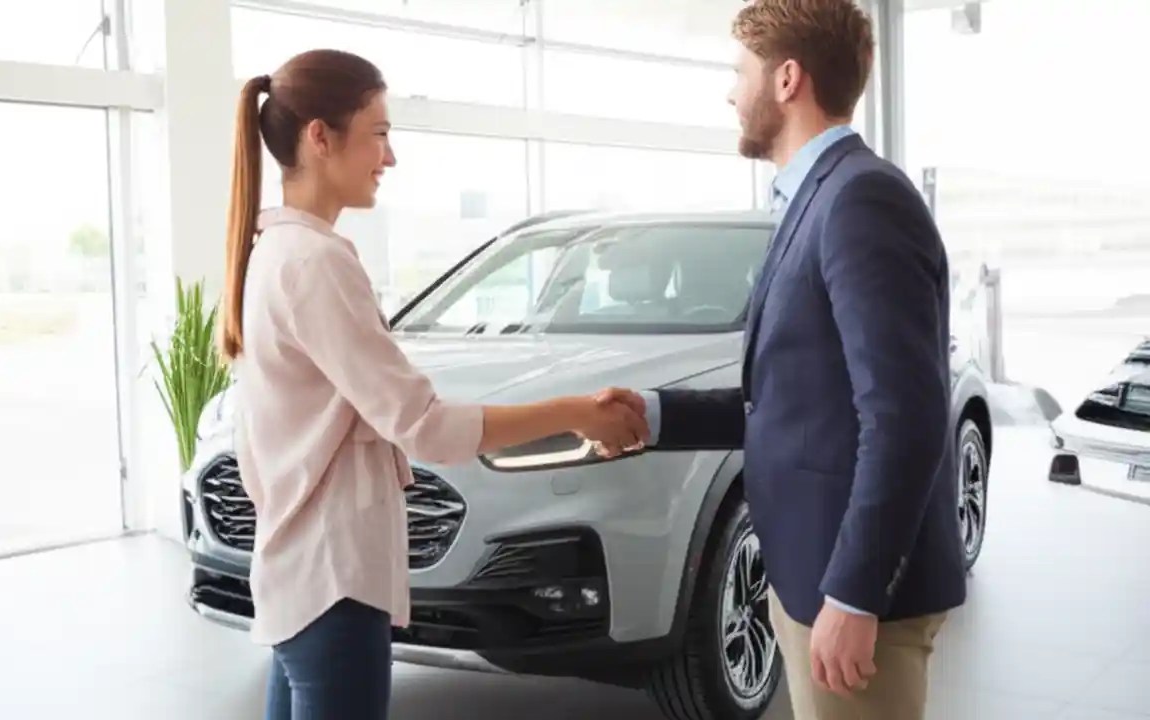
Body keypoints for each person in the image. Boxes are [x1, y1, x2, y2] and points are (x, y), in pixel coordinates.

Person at [218, 50, 649, 720]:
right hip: (334, 583)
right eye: (380, 134)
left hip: (299, 575)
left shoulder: (271, 250)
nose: (390, 158)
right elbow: (426, 427)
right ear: (320, 137)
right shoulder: (316, 262)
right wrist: (574, 412)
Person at [596, 1, 964, 718]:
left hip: (858, 593)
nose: (731, 93)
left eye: (740, 73)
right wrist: (655, 414)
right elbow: (792, 402)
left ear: (787, 79)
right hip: (812, 574)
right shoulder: (816, 199)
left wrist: (856, 591)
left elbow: (905, 418)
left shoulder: (860, 200)